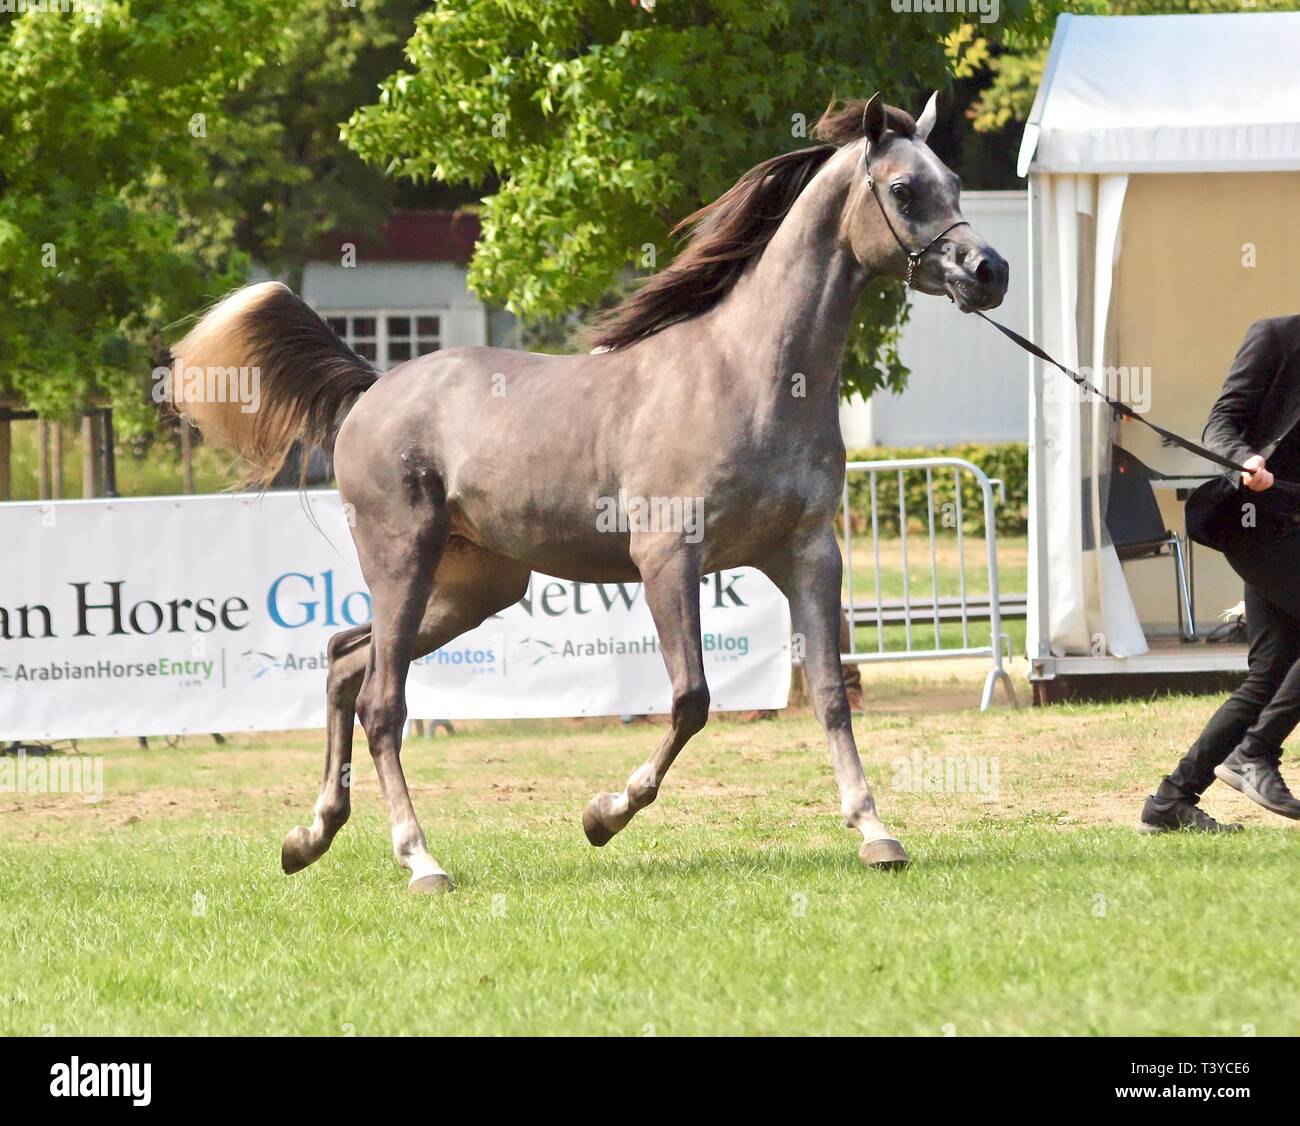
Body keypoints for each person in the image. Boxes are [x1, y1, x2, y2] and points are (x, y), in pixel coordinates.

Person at [1141, 315, 1300, 832]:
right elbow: (1221, 423)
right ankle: (1254, 751)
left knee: (1269, 671)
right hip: (1254, 521)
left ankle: (1170, 801)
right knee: (1271, 671)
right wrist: (1243, 460)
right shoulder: (1276, 337)